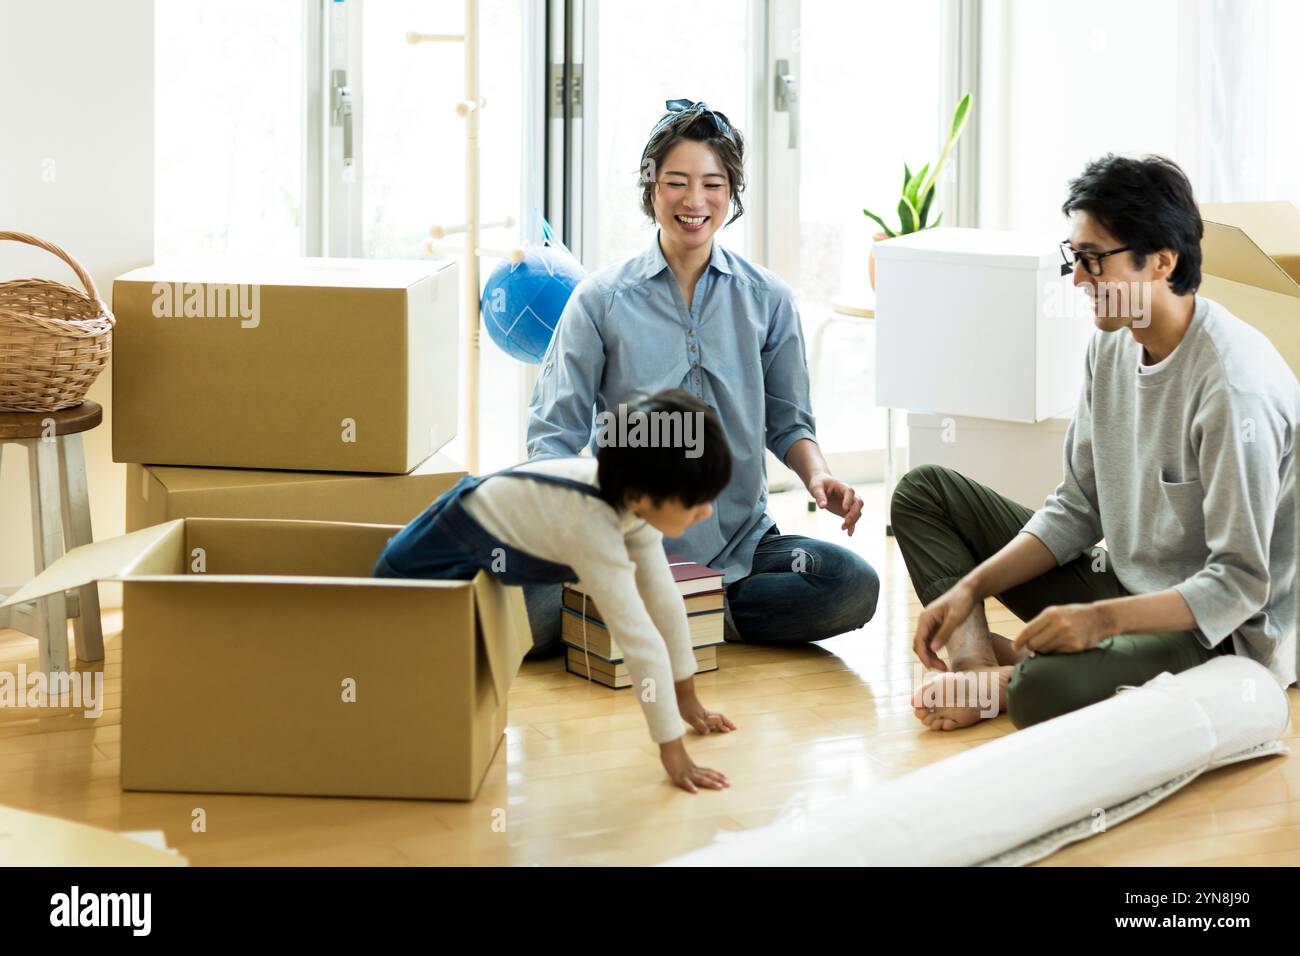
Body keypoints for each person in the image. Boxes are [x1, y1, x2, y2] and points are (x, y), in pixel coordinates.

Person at [891, 153, 1298, 731]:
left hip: (1217, 632)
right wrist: (968, 589)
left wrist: (1101, 622)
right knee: (923, 492)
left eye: (1092, 261)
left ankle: (1016, 682)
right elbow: (1077, 509)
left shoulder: (1234, 389)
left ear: (1161, 261)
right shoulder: (1112, 344)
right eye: (1073, 259)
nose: (1078, 280)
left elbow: (1238, 584)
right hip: (1124, 588)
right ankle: (980, 665)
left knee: (1043, 696)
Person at [526, 98, 879, 656]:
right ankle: (676, 613)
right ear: (651, 189)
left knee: (850, 585)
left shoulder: (768, 299)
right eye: (676, 182)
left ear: (731, 193)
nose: (694, 201)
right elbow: (552, 440)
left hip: (739, 545)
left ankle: (686, 613)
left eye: (712, 184)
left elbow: (789, 422)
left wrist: (819, 478)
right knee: (526, 612)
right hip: (623, 544)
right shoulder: (599, 300)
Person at [375, 389, 738, 793]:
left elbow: (664, 600)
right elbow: (639, 639)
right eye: (695, 501)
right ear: (641, 497)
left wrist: (688, 699)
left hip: (478, 548)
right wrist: (673, 752)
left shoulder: (629, 499)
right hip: (421, 565)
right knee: (415, 676)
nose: (705, 512)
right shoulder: (592, 524)